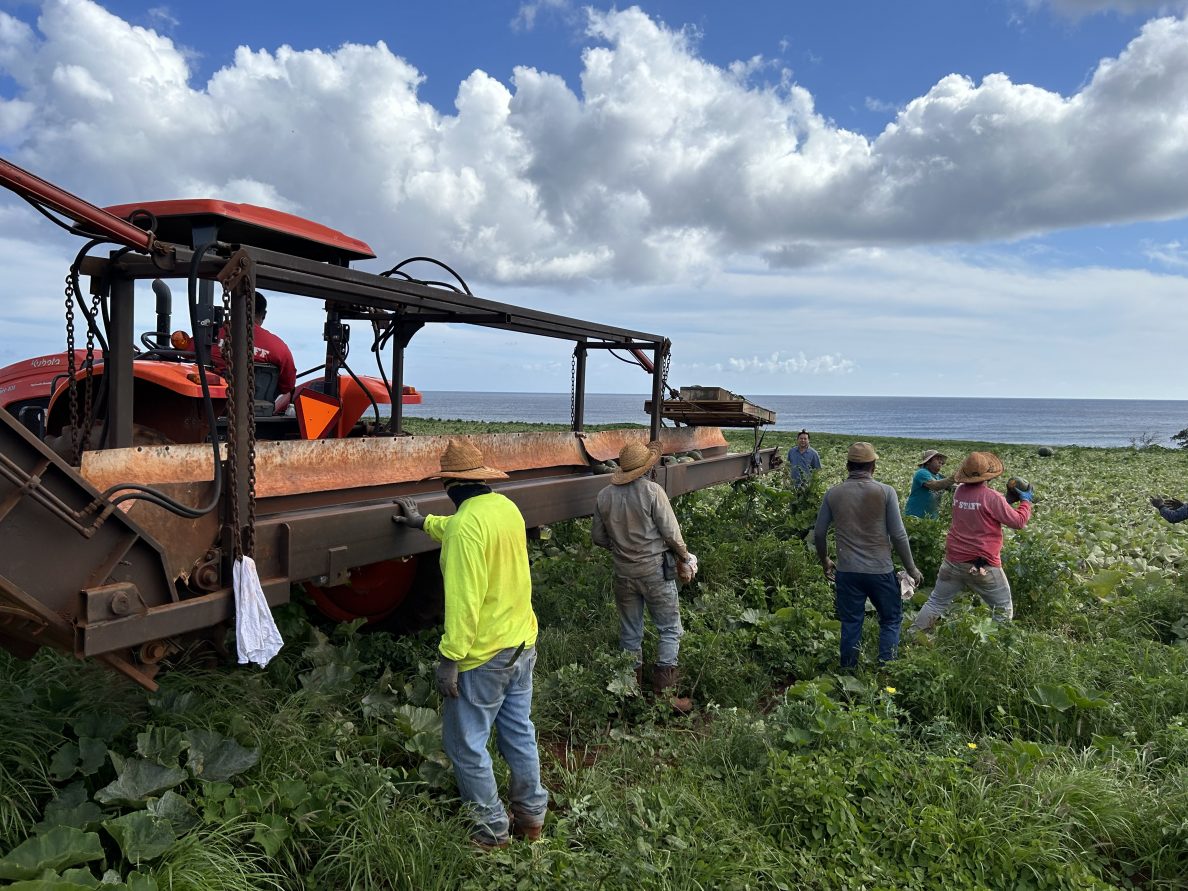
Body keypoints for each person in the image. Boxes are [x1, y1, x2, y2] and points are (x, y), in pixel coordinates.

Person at [391, 439, 547, 848]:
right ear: (480, 481)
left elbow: (462, 604)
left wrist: (449, 659)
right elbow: (461, 529)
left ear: (449, 486)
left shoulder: (464, 529)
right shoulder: (505, 508)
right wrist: (423, 522)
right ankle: (531, 818)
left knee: (465, 746)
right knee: (518, 733)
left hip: (483, 657)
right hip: (521, 644)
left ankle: (492, 831)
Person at [591, 440, 693, 712]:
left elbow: (598, 537)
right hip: (654, 571)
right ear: (647, 467)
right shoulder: (652, 492)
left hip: (623, 572)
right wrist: (685, 558)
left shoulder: (604, 496)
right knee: (669, 628)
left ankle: (629, 690)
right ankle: (664, 695)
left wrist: (621, 546)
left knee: (629, 630)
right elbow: (671, 534)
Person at [814, 442, 923, 669]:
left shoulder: (833, 493)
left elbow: (820, 532)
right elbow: (899, 535)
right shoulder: (885, 492)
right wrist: (911, 568)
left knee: (851, 622)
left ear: (847, 466)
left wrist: (824, 560)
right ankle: (886, 669)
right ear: (873, 466)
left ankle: (848, 671)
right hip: (880, 570)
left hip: (847, 571)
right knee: (891, 620)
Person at [909, 452, 1033, 633]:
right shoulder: (993, 497)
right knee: (1003, 608)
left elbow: (981, 507)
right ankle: (996, 647)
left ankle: (913, 635)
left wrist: (1007, 501)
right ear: (988, 474)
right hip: (983, 565)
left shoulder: (960, 492)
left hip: (953, 561)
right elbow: (1018, 522)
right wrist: (1025, 502)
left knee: (936, 602)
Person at [210, 291, 297, 412]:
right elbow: (287, 386)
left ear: (232, 309)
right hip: (257, 412)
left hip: (211, 409)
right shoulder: (279, 348)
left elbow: (187, 356)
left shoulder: (210, 336)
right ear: (264, 314)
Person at [904, 449, 957, 518]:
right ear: (928, 462)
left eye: (941, 460)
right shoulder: (921, 473)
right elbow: (935, 485)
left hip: (932, 519)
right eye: (937, 459)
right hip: (915, 517)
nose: (940, 461)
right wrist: (955, 477)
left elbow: (953, 488)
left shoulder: (939, 476)